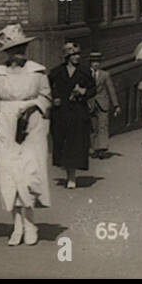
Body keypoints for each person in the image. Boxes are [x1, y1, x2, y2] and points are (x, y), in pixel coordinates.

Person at [0, 24, 52, 245]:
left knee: (29, 175)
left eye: (22, 48)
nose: (19, 53)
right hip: (5, 128)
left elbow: (46, 97)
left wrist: (32, 106)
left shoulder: (37, 72)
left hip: (32, 127)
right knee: (9, 177)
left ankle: (30, 224)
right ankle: (16, 225)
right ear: (6, 52)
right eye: (14, 49)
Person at [48, 41, 95, 189]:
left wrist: (84, 92)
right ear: (67, 56)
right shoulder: (56, 72)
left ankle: (72, 177)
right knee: (63, 142)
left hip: (78, 112)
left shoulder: (85, 71)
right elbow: (46, 87)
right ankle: (67, 172)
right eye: (74, 54)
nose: (77, 57)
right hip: (61, 112)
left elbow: (93, 89)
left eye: (78, 54)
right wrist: (53, 98)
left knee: (75, 144)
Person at [88, 51, 120, 158]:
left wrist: (116, 105)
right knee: (93, 127)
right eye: (93, 62)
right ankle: (93, 148)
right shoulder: (86, 74)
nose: (96, 64)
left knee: (103, 126)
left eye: (97, 62)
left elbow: (111, 89)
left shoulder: (105, 74)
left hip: (103, 103)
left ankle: (102, 148)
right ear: (90, 63)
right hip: (90, 104)